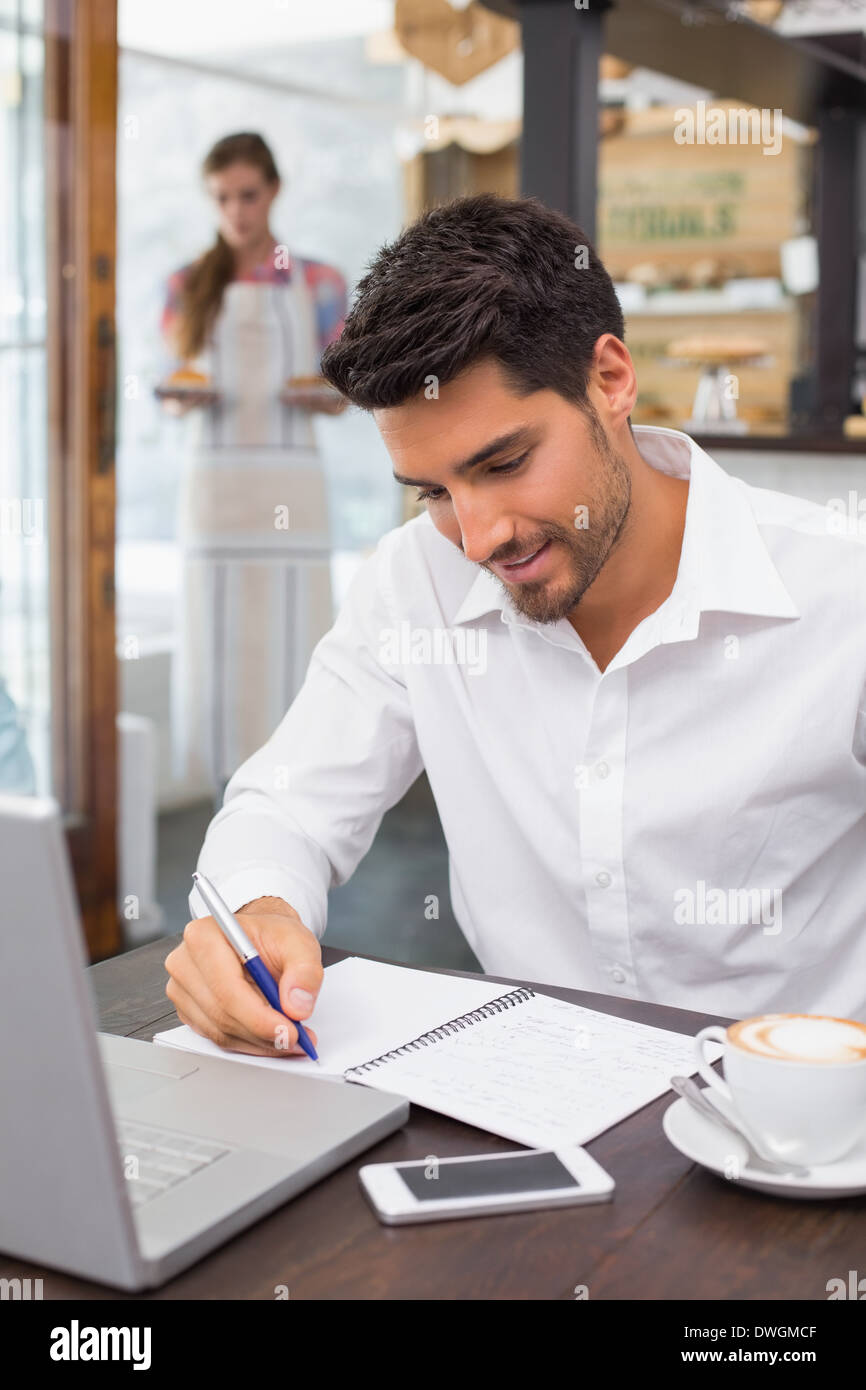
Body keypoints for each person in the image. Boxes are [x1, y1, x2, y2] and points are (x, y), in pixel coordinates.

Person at [164, 192, 866, 1060]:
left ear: (610, 380)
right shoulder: (414, 580)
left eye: (504, 463)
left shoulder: (842, 593)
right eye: (432, 492)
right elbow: (286, 807)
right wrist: (261, 907)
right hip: (532, 1112)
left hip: (804, 1136)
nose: (480, 535)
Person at [158, 132, 347, 807]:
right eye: (222, 198)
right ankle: (220, 795)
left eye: (248, 194)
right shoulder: (184, 285)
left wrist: (322, 393)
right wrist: (182, 398)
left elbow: (336, 395)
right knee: (217, 642)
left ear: (273, 191)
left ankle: (300, 794)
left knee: (296, 637)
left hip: (292, 487)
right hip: (215, 489)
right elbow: (174, 390)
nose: (236, 210)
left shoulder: (320, 282)